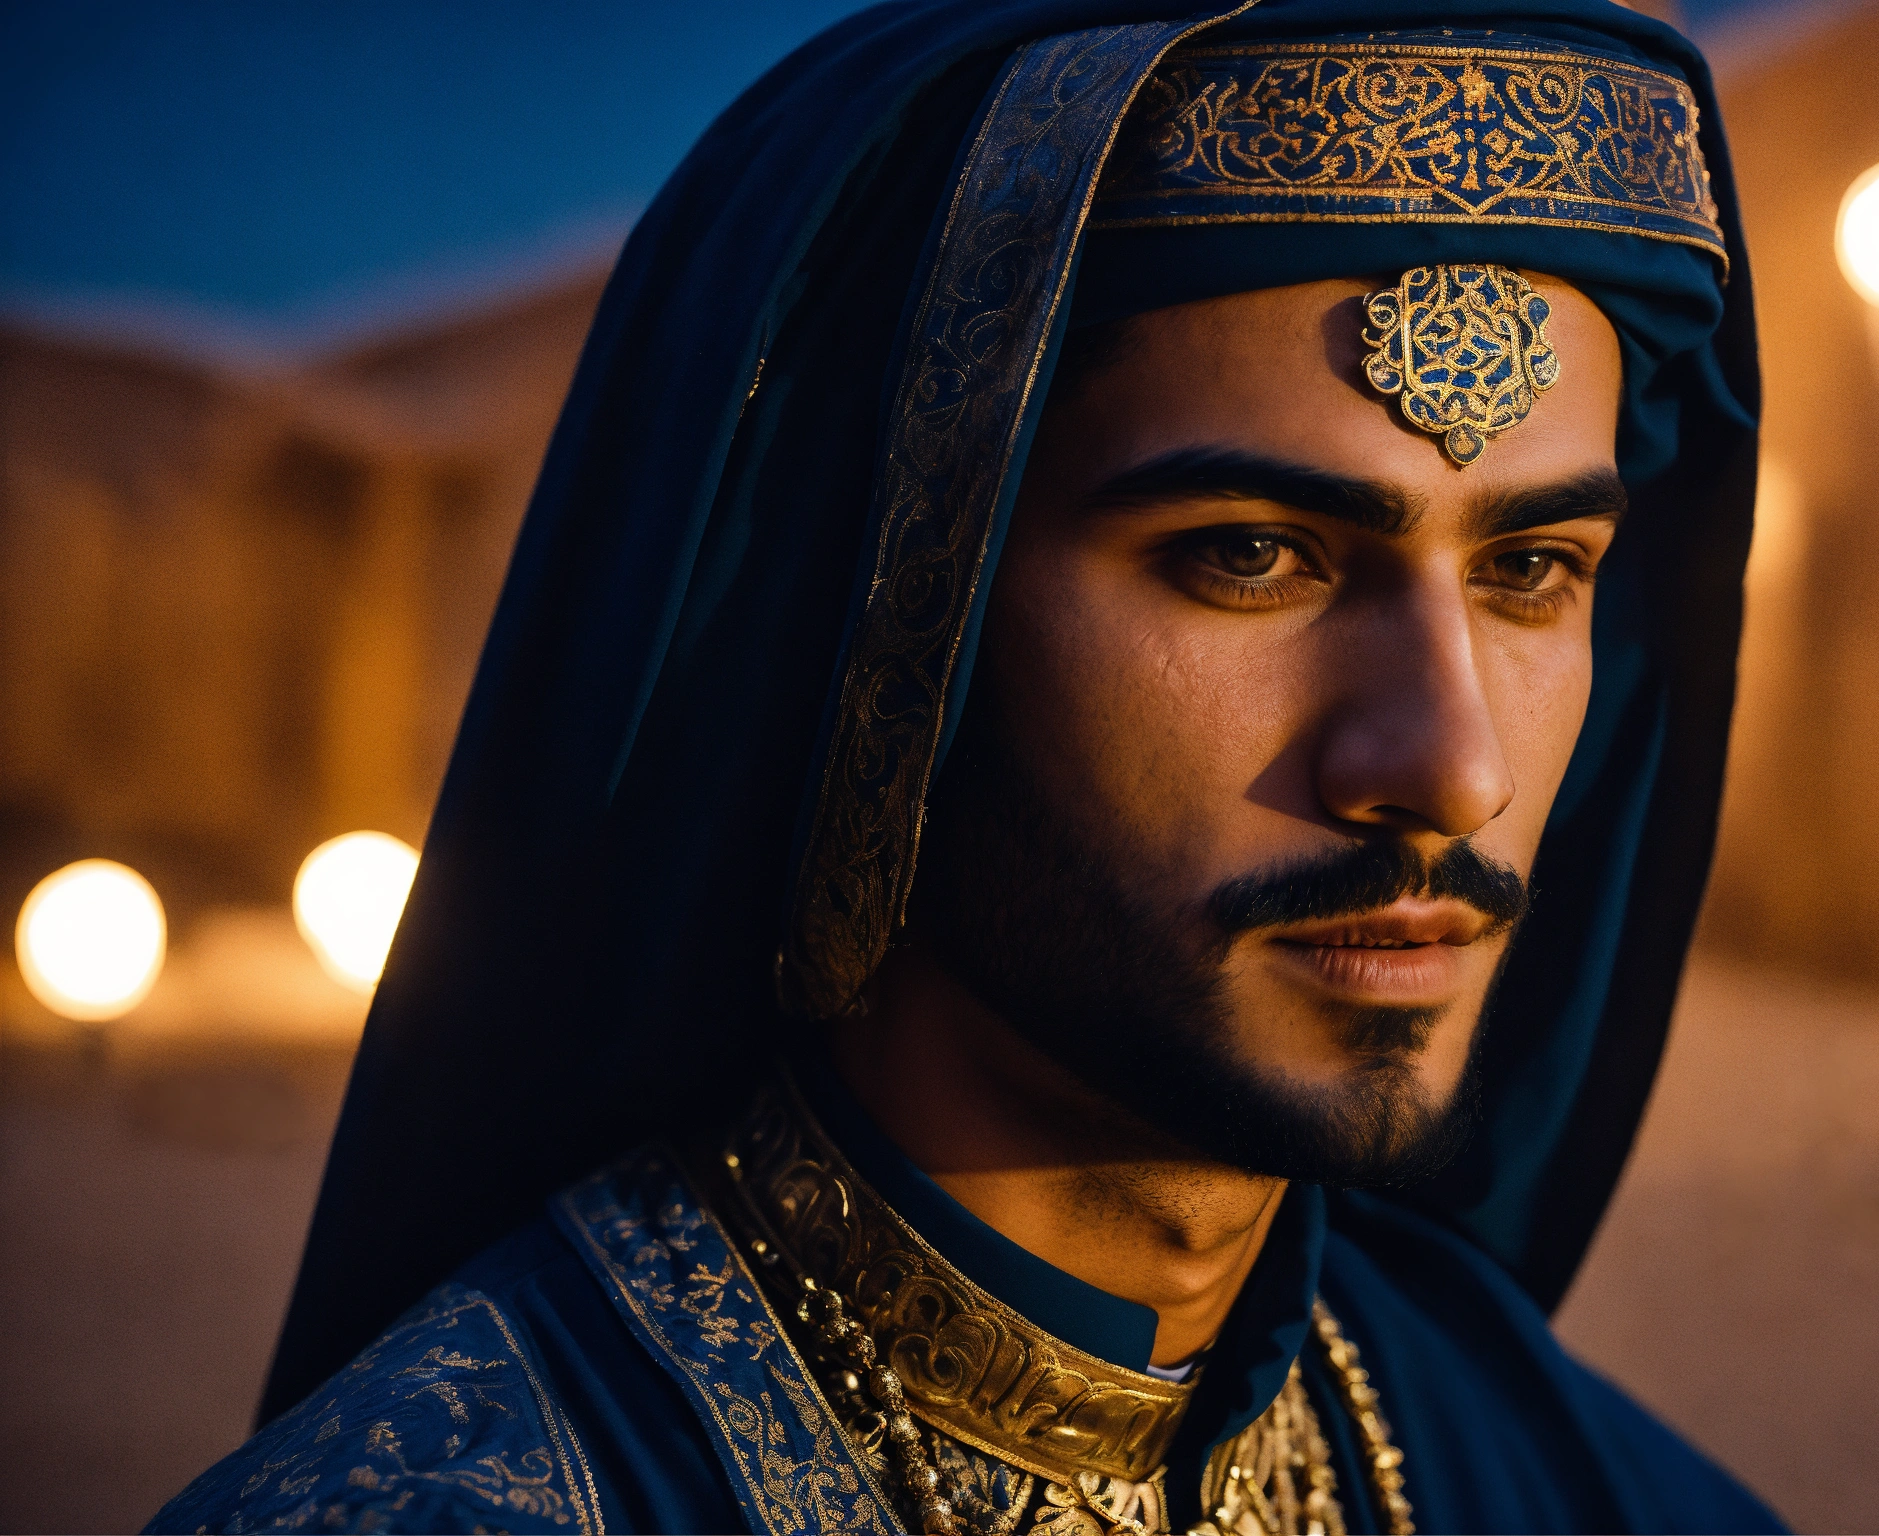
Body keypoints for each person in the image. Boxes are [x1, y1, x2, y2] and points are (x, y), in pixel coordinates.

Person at [151, 2, 1774, 1531]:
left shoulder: (1529, 1469)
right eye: (1251, 555)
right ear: (889, 644)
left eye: (1531, 570)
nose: (1452, 769)